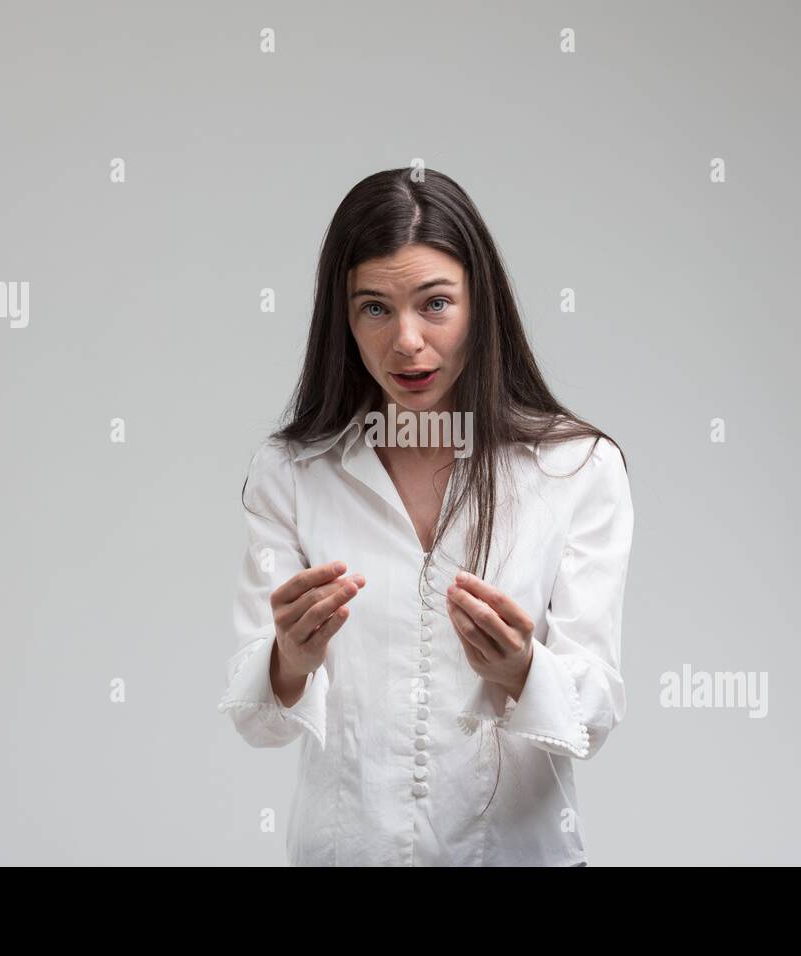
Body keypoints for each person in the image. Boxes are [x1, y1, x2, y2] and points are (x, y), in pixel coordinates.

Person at [218, 168, 634, 866]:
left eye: (435, 303)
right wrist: (288, 659)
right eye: (374, 308)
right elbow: (256, 720)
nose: (406, 341)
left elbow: (594, 715)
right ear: (342, 320)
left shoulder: (577, 468)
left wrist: (521, 670)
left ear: (481, 305)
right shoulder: (291, 474)